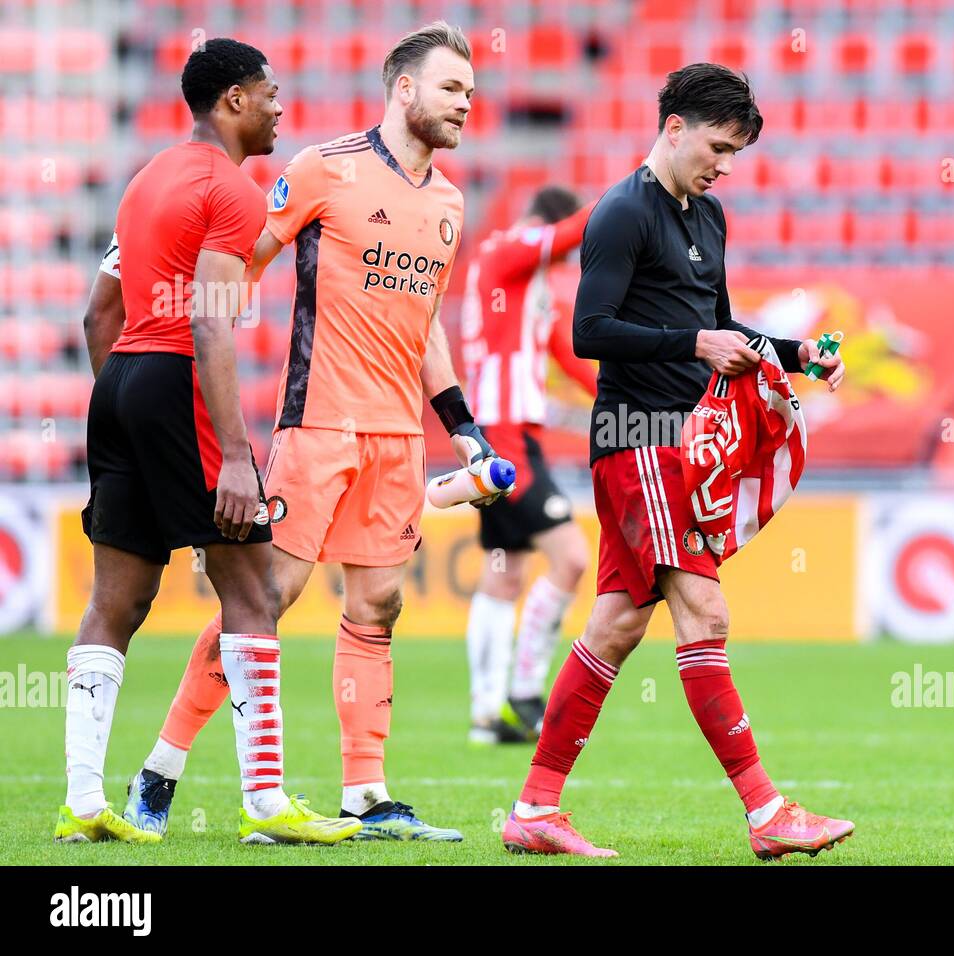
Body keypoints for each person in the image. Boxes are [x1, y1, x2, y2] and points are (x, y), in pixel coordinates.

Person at [122, 22, 502, 844]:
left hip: (399, 437)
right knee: (267, 598)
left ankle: (366, 795)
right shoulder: (322, 169)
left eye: (470, 91)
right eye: (450, 88)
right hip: (319, 421)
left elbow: (424, 324)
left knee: (380, 603)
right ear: (403, 89)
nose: (465, 103)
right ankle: (161, 769)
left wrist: (463, 428)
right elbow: (239, 260)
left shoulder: (448, 201)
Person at [500, 63, 852, 860]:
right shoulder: (622, 213)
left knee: (616, 628)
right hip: (637, 439)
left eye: (734, 154)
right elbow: (591, 331)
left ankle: (534, 808)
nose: (724, 165)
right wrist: (694, 343)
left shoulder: (710, 217)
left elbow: (723, 324)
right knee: (707, 615)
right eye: (718, 147)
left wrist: (801, 354)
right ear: (673, 128)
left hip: (681, 445)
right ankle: (768, 815)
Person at [59, 38, 361, 845]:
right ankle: (266, 802)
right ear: (233, 100)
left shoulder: (146, 180)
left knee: (115, 603)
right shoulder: (231, 190)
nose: (279, 109)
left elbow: (97, 314)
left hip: (118, 384)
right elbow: (209, 318)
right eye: (269, 94)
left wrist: (126, 418)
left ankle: (83, 801)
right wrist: (231, 454)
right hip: (177, 382)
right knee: (254, 592)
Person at [460, 186, 599, 744]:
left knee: (505, 572)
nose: (565, 259)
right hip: (504, 438)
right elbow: (569, 233)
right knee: (570, 558)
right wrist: (644, 179)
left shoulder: (528, 285)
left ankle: (487, 715)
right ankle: (523, 693)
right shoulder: (509, 248)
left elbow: (565, 353)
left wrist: (624, 398)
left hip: (506, 435)